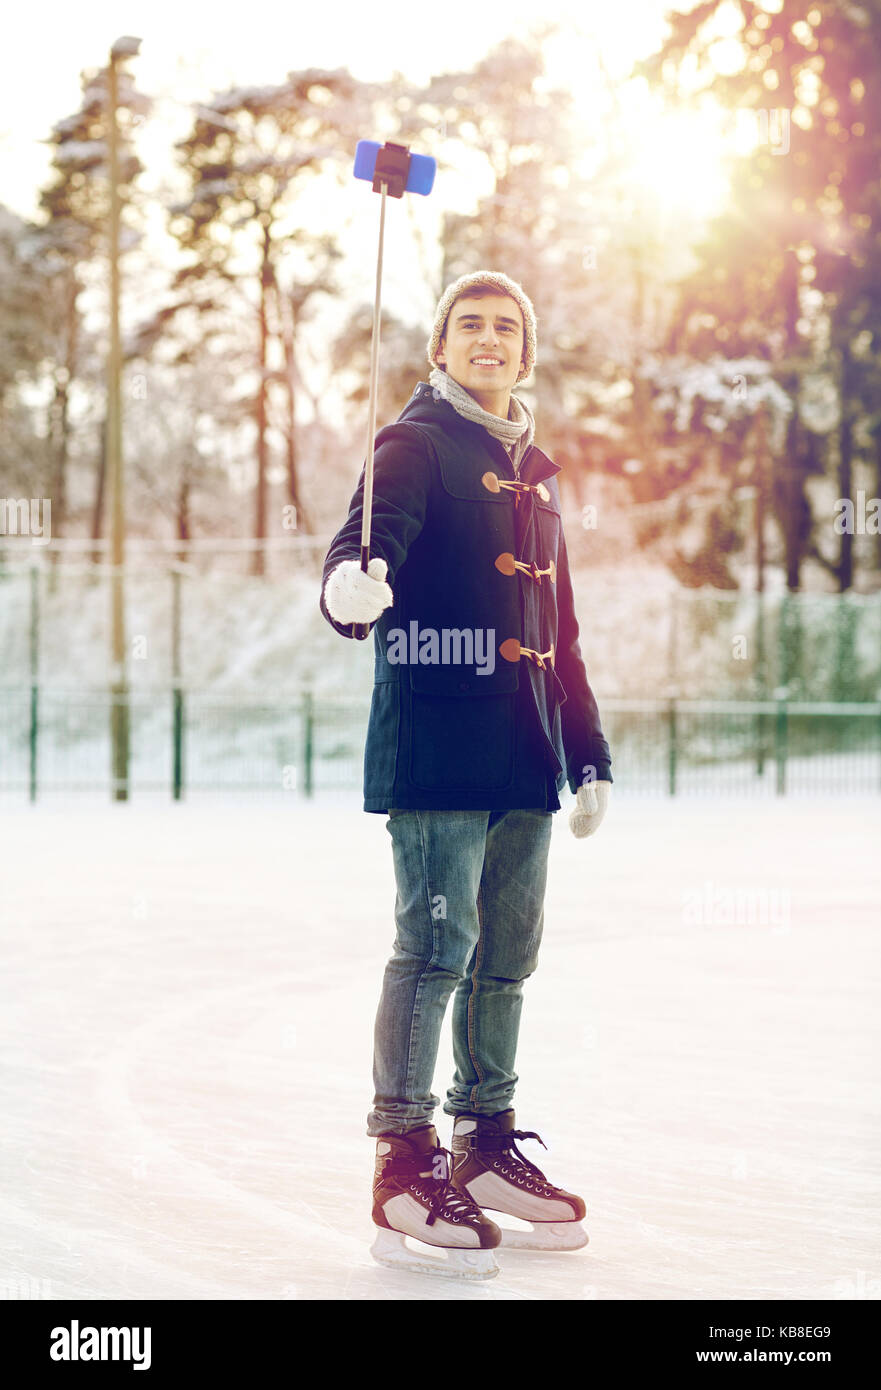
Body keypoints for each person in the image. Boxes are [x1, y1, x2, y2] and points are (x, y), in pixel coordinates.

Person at [319, 270, 612, 1280]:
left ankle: (485, 1141)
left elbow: (558, 629)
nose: (488, 339)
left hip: (524, 752)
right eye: (469, 324)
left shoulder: (534, 471)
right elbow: (361, 551)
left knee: (507, 957)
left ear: (523, 351)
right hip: (440, 744)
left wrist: (588, 752)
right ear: (440, 345)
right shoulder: (411, 445)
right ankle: (404, 1158)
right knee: (436, 945)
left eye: (505, 327)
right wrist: (350, 587)